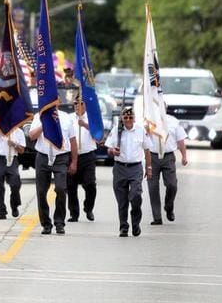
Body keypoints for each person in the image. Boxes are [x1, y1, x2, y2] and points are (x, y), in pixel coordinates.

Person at [29, 106, 77, 235]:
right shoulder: (39, 116)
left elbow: (72, 141)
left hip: (61, 157)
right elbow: (32, 136)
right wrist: (44, 124)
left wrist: (74, 162)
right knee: (41, 192)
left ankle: (59, 222)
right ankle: (46, 223)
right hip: (43, 157)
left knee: (61, 189)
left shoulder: (66, 118)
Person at [105, 106, 152, 237]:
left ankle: (136, 224)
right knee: (122, 200)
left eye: (130, 117)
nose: (128, 120)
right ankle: (123, 226)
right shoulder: (116, 130)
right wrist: (113, 151)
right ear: (122, 119)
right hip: (120, 167)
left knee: (136, 195)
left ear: (134, 118)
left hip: (135, 168)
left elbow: (147, 150)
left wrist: (149, 168)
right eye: (125, 117)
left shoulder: (140, 130)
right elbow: (108, 148)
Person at [146, 113, 188, 225]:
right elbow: (142, 140)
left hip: (168, 156)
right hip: (152, 156)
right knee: (152, 187)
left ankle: (169, 206)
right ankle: (157, 217)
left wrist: (184, 156)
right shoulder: (148, 121)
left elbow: (180, 141)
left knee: (172, 185)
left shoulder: (174, 122)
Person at [67, 97, 98, 223]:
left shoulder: (92, 117)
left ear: (85, 105)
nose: (77, 106)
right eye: (75, 103)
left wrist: (84, 124)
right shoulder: (68, 118)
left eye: (80, 103)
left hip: (87, 155)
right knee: (71, 186)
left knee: (90, 184)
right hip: (71, 155)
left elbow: (98, 134)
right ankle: (74, 214)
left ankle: (88, 208)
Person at [0, 125, 25, 220]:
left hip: (12, 159)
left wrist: (14, 144)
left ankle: (14, 205)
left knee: (15, 184)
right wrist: (1, 122)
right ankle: (1, 211)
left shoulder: (19, 132)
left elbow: (22, 150)